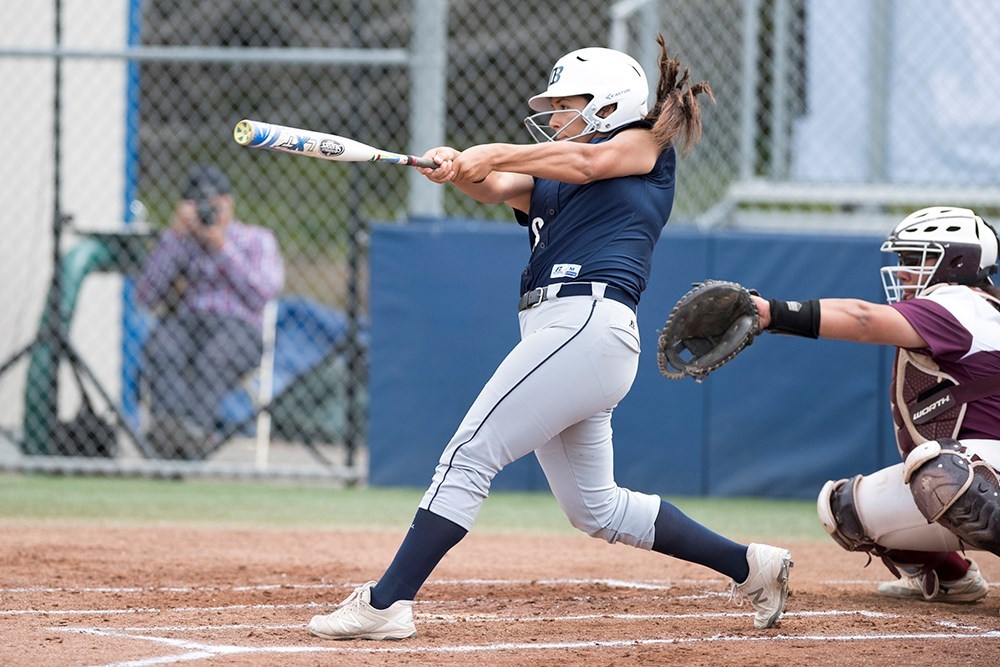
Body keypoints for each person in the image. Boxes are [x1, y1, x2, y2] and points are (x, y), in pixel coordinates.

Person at [307, 37, 793, 641]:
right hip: (566, 335)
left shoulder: (642, 146)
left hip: (585, 323)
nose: (555, 118)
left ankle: (386, 602)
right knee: (597, 508)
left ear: (609, 105)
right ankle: (751, 566)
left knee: (468, 454)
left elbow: (587, 164)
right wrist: (459, 167)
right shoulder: (553, 177)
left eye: (567, 105)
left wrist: (494, 150)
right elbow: (497, 185)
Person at [750, 206, 1000, 603]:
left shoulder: (962, 302)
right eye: (903, 259)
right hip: (978, 474)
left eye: (917, 259)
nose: (903, 271)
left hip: (985, 469)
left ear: (957, 261)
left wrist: (772, 313)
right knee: (845, 509)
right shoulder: (957, 306)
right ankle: (951, 578)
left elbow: (863, 319)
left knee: (944, 470)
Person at [135, 165, 284, 460]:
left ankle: (195, 433)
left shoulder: (255, 240)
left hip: (239, 327)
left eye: (214, 205)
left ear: (229, 203)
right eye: (199, 205)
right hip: (190, 322)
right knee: (163, 347)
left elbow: (263, 293)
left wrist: (221, 246)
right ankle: (170, 433)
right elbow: (145, 295)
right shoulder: (181, 242)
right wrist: (174, 239)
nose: (207, 213)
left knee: (213, 357)